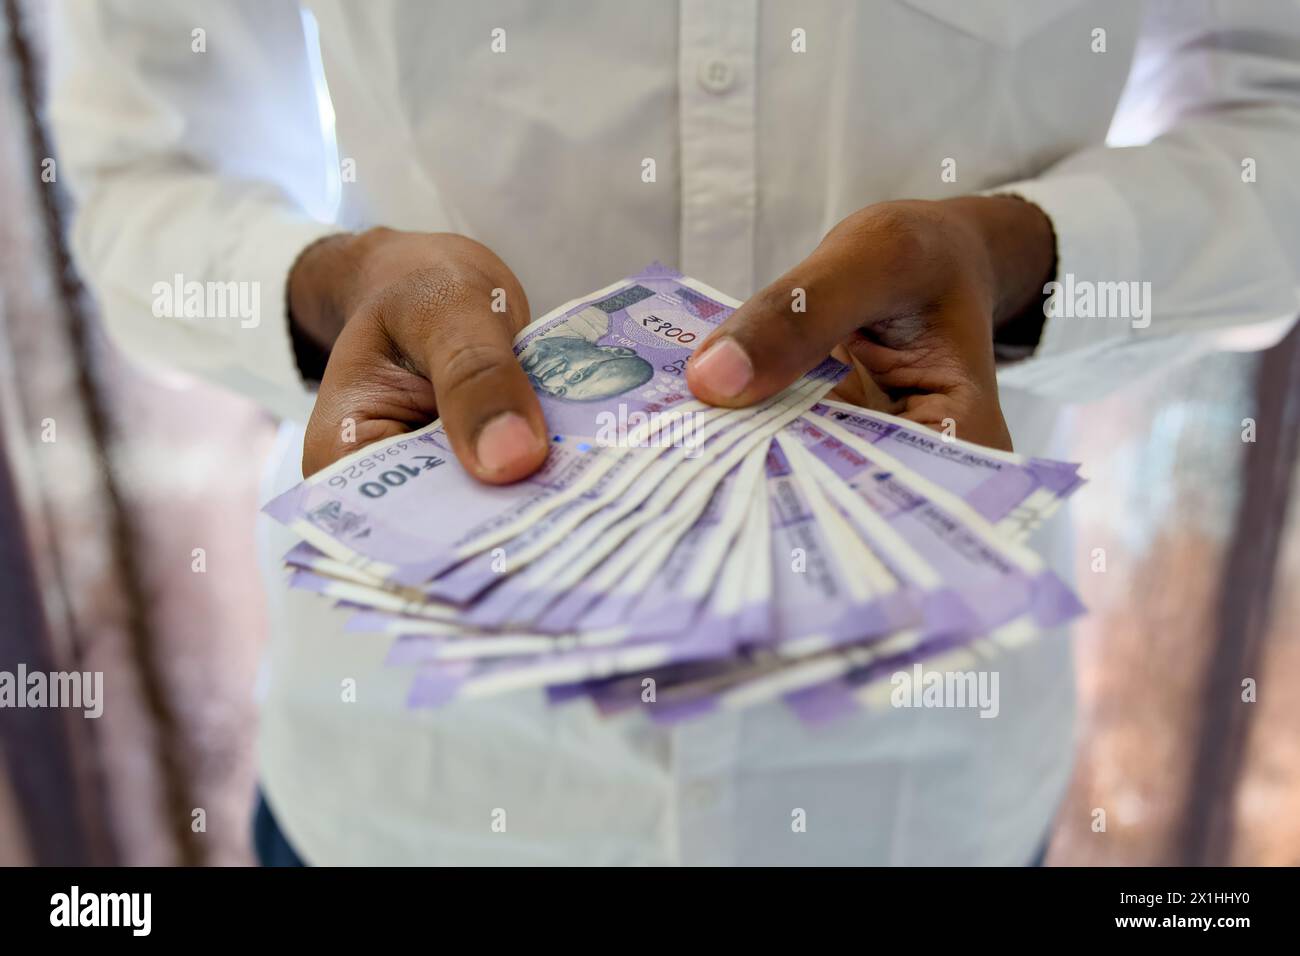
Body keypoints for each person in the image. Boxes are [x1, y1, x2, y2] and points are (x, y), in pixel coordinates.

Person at [49, 0, 1300, 864]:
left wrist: (1023, 260)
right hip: (407, 796)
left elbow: (1272, 119)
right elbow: (150, 169)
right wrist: (314, 290)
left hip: (919, 798)